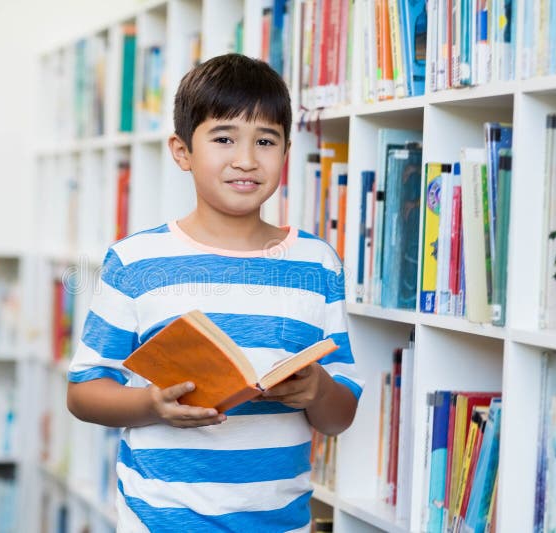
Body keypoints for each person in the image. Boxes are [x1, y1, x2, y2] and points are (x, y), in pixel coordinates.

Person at [66, 53, 362, 532]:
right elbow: (84, 393)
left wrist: (317, 390)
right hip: (159, 521)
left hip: (280, 523)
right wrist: (151, 405)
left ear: (286, 152)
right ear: (182, 151)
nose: (246, 159)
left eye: (266, 141)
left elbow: (339, 415)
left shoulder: (316, 263)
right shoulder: (136, 261)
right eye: (224, 138)